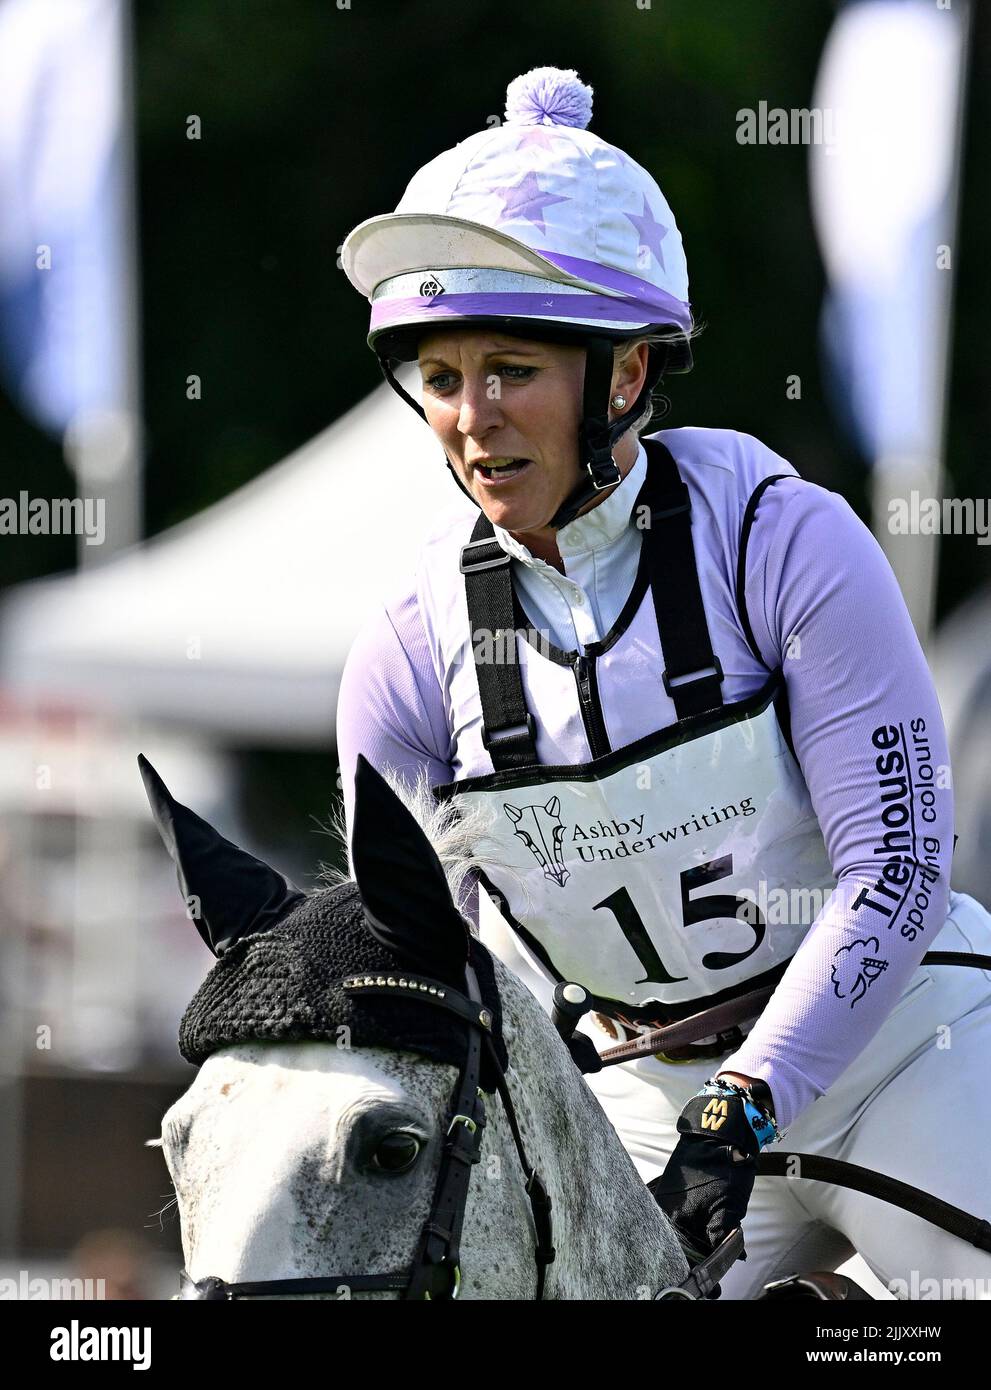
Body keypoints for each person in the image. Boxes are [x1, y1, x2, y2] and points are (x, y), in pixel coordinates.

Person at [335, 66, 991, 1299]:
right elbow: (423, 953)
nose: (471, 419)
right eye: (441, 378)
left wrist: (748, 1105)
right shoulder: (408, 649)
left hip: (905, 1041)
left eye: (511, 369)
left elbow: (897, 875)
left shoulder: (785, 540)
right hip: (642, 1089)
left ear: (624, 376)